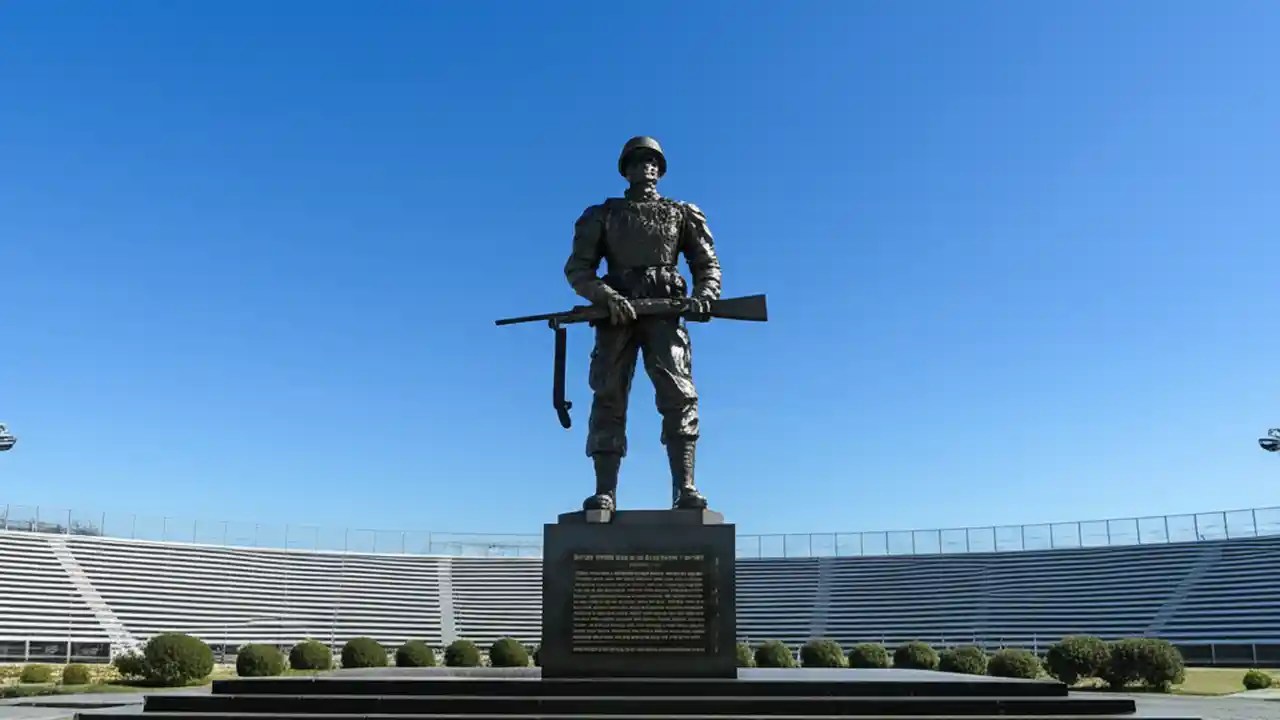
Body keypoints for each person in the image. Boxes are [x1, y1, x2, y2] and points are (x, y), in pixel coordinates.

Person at [563, 136, 722, 511]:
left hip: (665, 313)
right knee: (608, 396)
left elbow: (707, 264)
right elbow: (578, 269)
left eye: (652, 161)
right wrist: (606, 297)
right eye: (637, 162)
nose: (645, 167)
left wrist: (705, 295)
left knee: (679, 395)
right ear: (626, 169)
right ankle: (606, 492)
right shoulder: (601, 215)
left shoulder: (682, 213)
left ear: (660, 170)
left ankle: (685, 487)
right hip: (616, 314)